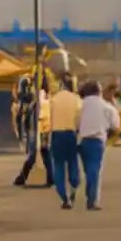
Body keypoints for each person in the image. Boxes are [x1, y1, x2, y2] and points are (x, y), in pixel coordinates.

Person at [76, 79, 120, 211]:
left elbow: (76, 123)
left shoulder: (81, 105)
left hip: (83, 141)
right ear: (99, 92)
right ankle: (92, 200)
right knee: (95, 171)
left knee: (89, 170)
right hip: (97, 141)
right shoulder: (106, 106)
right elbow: (116, 124)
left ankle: (90, 194)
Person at [48, 73, 82, 208]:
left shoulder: (54, 99)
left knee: (58, 166)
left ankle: (64, 197)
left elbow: (49, 119)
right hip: (71, 134)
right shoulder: (77, 99)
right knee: (73, 162)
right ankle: (74, 186)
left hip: (57, 134)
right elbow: (79, 119)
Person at [13, 74, 53, 187]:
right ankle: (51, 177)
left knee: (33, 154)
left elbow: (27, 114)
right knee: (45, 152)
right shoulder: (46, 97)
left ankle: (22, 176)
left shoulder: (35, 98)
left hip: (37, 128)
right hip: (45, 127)